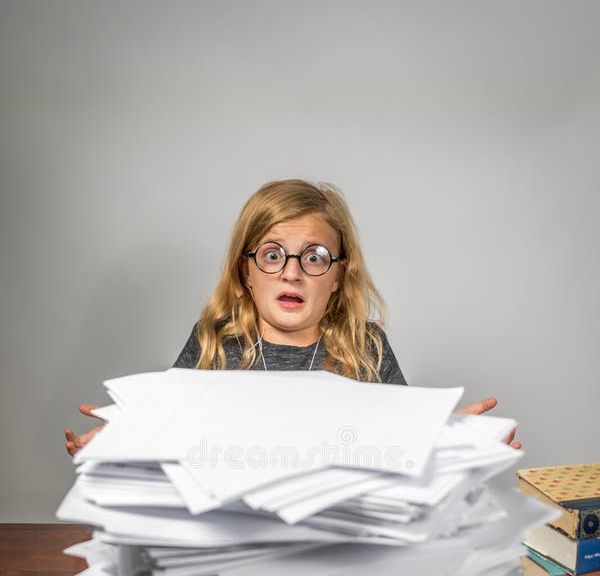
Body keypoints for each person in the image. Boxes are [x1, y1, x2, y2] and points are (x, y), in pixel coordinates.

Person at [65, 179, 520, 455]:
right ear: (246, 269)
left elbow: (401, 442)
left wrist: (448, 438)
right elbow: (169, 424)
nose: (292, 272)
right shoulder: (216, 341)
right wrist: (122, 439)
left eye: (315, 257)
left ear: (339, 275)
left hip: (341, 544)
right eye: (272, 254)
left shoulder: (366, 347)